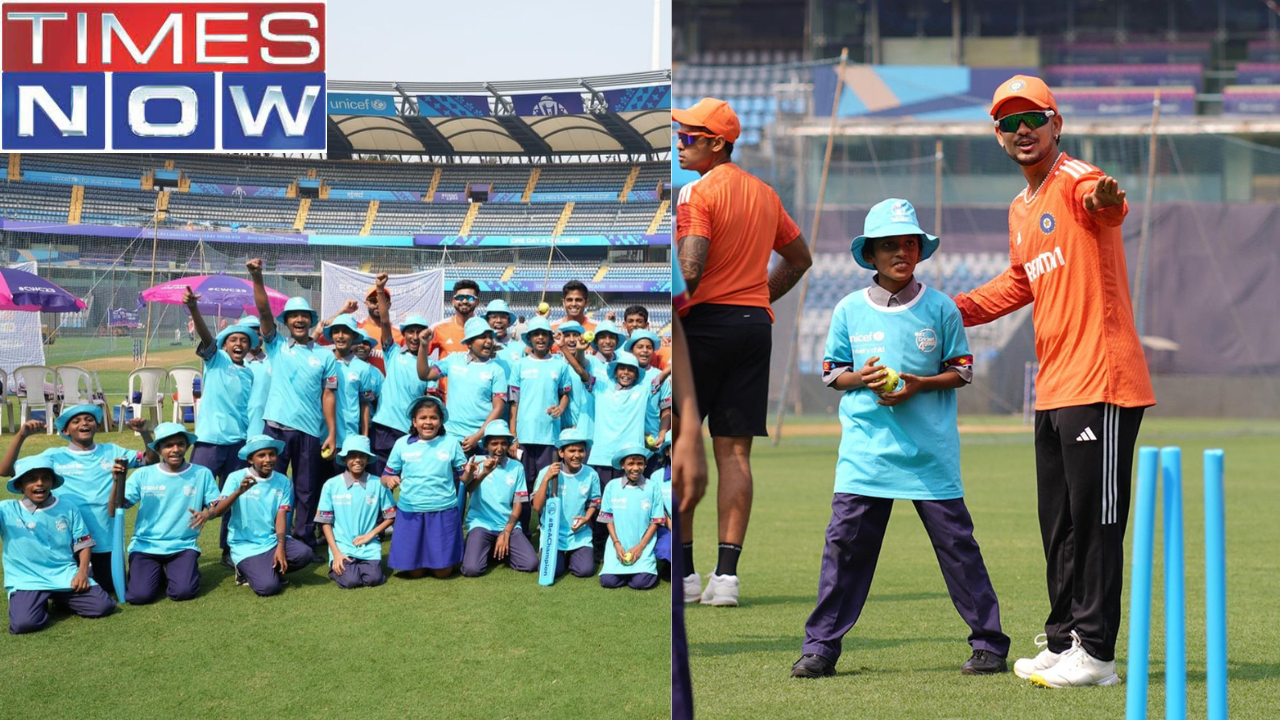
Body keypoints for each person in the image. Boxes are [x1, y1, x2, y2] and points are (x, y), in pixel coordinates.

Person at [953, 75, 1155, 688]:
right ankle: (1065, 640)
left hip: (1103, 379)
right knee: (1059, 524)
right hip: (1056, 385)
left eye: (1033, 119)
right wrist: (950, 309)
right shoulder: (1021, 208)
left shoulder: (1076, 180)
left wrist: (1106, 202)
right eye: (1008, 123)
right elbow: (1019, 282)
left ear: (1056, 123)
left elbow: (1104, 202)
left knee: (1096, 523)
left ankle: (1097, 654)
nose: (1021, 131)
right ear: (997, 135)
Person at [790, 198, 1010, 679]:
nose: (901, 252)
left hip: (930, 457)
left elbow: (962, 371)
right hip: (865, 457)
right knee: (843, 552)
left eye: (909, 243)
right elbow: (832, 373)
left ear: (920, 250)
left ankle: (989, 645)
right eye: (889, 245)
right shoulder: (849, 309)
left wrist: (919, 384)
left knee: (959, 552)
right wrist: (861, 378)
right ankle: (820, 648)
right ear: (870, 254)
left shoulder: (941, 307)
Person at [675, 96, 813, 606]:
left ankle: (686, 576)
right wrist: (757, 297)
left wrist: (672, 316)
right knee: (735, 452)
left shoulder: (697, 191)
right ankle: (726, 578)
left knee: (684, 442)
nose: (680, 144)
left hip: (703, 325)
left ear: (717, 143)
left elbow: (690, 270)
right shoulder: (766, 193)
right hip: (754, 327)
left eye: (688, 136)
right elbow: (800, 259)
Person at [0, 407, 155, 598]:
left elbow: (150, 459)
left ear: (97, 425)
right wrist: (21, 435)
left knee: (109, 587)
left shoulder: (112, 450)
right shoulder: (53, 456)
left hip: (106, 538)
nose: (84, 423)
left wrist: (145, 433)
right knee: (71, 585)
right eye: (76, 421)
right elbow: (5, 470)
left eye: (89, 419)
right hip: (67, 540)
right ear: (65, 431)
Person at [247, 258, 338, 550]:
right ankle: (267, 540)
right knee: (268, 484)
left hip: (309, 432)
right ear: (285, 321)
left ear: (311, 320)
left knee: (306, 490)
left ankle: (303, 542)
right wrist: (257, 276)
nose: (299, 320)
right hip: (275, 429)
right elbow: (264, 311)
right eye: (293, 316)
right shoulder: (276, 346)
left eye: (304, 316)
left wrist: (331, 432)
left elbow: (328, 395)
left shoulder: (325, 356)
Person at [108, 422, 220, 604]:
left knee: (183, 592)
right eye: (168, 445)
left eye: (180, 444)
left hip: (182, 545)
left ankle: (182, 570)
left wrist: (207, 513)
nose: (175, 450)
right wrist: (116, 482)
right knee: (139, 596)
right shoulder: (143, 474)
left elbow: (216, 505)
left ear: (187, 446)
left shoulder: (202, 474)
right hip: (145, 546)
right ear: (158, 449)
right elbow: (114, 510)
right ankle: (158, 572)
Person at [2, 456, 116, 634]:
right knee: (25, 624)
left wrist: (82, 572)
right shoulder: (6, 509)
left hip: (64, 574)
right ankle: (35, 602)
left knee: (103, 606)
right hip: (27, 579)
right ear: (19, 486)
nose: (40, 483)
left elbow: (83, 543)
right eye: (31, 479)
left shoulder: (68, 507)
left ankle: (60, 598)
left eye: (45, 478)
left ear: (52, 482)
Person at [185, 291, 257, 569]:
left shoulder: (249, 371)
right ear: (224, 344)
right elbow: (206, 337)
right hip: (209, 442)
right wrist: (194, 309)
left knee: (233, 499)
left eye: (244, 340)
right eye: (233, 340)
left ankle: (229, 549)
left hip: (238, 445)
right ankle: (182, 548)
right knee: (192, 495)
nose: (239, 344)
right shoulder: (217, 361)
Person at [204, 435, 315, 596]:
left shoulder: (283, 481)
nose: (268, 459)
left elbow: (281, 516)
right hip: (245, 544)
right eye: (261, 455)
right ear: (250, 459)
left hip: (271, 541)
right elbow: (219, 511)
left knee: (305, 554)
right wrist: (239, 492)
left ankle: (265, 569)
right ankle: (244, 571)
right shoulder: (236, 477)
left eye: (272, 454)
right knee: (268, 587)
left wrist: (280, 547)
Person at [382, 396, 474, 579]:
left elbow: (464, 478)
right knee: (415, 572)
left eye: (433, 417)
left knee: (443, 572)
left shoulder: (451, 442)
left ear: (441, 421)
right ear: (414, 422)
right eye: (423, 418)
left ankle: (444, 559)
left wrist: (470, 472)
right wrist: (389, 479)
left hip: (443, 510)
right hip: (410, 512)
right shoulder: (402, 444)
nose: (428, 422)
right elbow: (385, 476)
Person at [507, 315, 571, 534]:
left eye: (544, 334)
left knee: (549, 483)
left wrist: (560, 407)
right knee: (523, 485)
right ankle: (522, 530)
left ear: (550, 338)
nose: (541, 338)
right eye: (536, 334)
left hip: (549, 436)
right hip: (524, 437)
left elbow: (565, 394)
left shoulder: (560, 365)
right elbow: (514, 403)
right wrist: (513, 435)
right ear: (530, 338)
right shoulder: (519, 365)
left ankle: (547, 531)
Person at [416, 317, 508, 456]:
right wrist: (423, 346)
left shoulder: (497, 370)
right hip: (451, 436)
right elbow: (425, 374)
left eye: (490, 337)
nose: (489, 341)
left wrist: (477, 436)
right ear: (469, 343)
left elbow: (498, 408)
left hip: (481, 440)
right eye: (482, 337)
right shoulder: (454, 360)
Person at [316, 435, 395, 589]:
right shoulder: (331, 485)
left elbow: (391, 515)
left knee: (374, 579)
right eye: (352, 456)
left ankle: (361, 566)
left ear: (368, 459)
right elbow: (325, 521)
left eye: (362, 456)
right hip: (342, 546)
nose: (357, 460)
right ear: (344, 459)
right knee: (350, 581)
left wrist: (371, 535)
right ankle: (338, 568)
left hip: (369, 545)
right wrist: (336, 553)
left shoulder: (378, 483)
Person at [459, 420, 537, 577]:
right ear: (486, 445)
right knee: (472, 569)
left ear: (508, 445)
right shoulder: (477, 462)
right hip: (481, 524)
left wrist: (506, 531)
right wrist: (484, 473)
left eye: (503, 443)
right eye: (494, 443)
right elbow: (468, 489)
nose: (499, 448)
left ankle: (497, 549)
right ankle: (486, 547)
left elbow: (518, 503)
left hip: (507, 525)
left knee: (531, 563)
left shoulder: (517, 467)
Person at [369, 273, 430, 470]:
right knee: (379, 479)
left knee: (408, 480)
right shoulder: (393, 353)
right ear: (403, 335)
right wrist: (380, 290)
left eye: (419, 332)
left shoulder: (430, 366)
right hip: (384, 427)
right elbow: (385, 322)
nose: (415, 336)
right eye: (410, 331)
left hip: (411, 431)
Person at [531, 428, 601, 579]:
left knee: (585, 571)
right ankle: (560, 556)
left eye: (581, 450)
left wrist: (586, 518)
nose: (577, 455)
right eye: (572, 451)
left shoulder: (591, 474)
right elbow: (537, 506)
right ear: (561, 453)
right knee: (553, 571)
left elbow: (594, 501)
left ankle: (572, 555)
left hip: (579, 534)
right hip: (552, 533)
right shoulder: (546, 472)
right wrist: (546, 479)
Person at [598, 446, 663, 590]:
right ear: (623, 465)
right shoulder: (611, 486)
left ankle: (638, 570)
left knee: (641, 583)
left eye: (640, 463)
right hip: (617, 546)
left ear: (645, 465)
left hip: (643, 546)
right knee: (608, 581)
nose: (635, 468)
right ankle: (622, 571)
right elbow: (607, 518)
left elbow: (656, 521)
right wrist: (617, 544)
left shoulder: (653, 487)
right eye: (631, 464)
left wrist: (640, 547)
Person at [321, 314, 380, 451]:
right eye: (336, 331)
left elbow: (365, 404)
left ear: (354, 336)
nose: (340, 336)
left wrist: (364, 438)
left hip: (349, 438)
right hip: (321, 435)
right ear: (331, 336)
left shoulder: (363, 368)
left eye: (346, 332)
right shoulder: (323, 361)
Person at [555, 321, 599, 439]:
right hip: (559, 429)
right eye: (567, 335)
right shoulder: (554, 362)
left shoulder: (590, 361)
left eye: (575, 335)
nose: (572, 339)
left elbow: (580, 366)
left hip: (586, 429)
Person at [427, 279, 480, 360]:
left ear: (477, 302)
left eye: (470, 298)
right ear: (453, 301)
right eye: (460, 297)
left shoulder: (484, 329)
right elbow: (418, 354)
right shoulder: (438, 328)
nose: (464, 301)